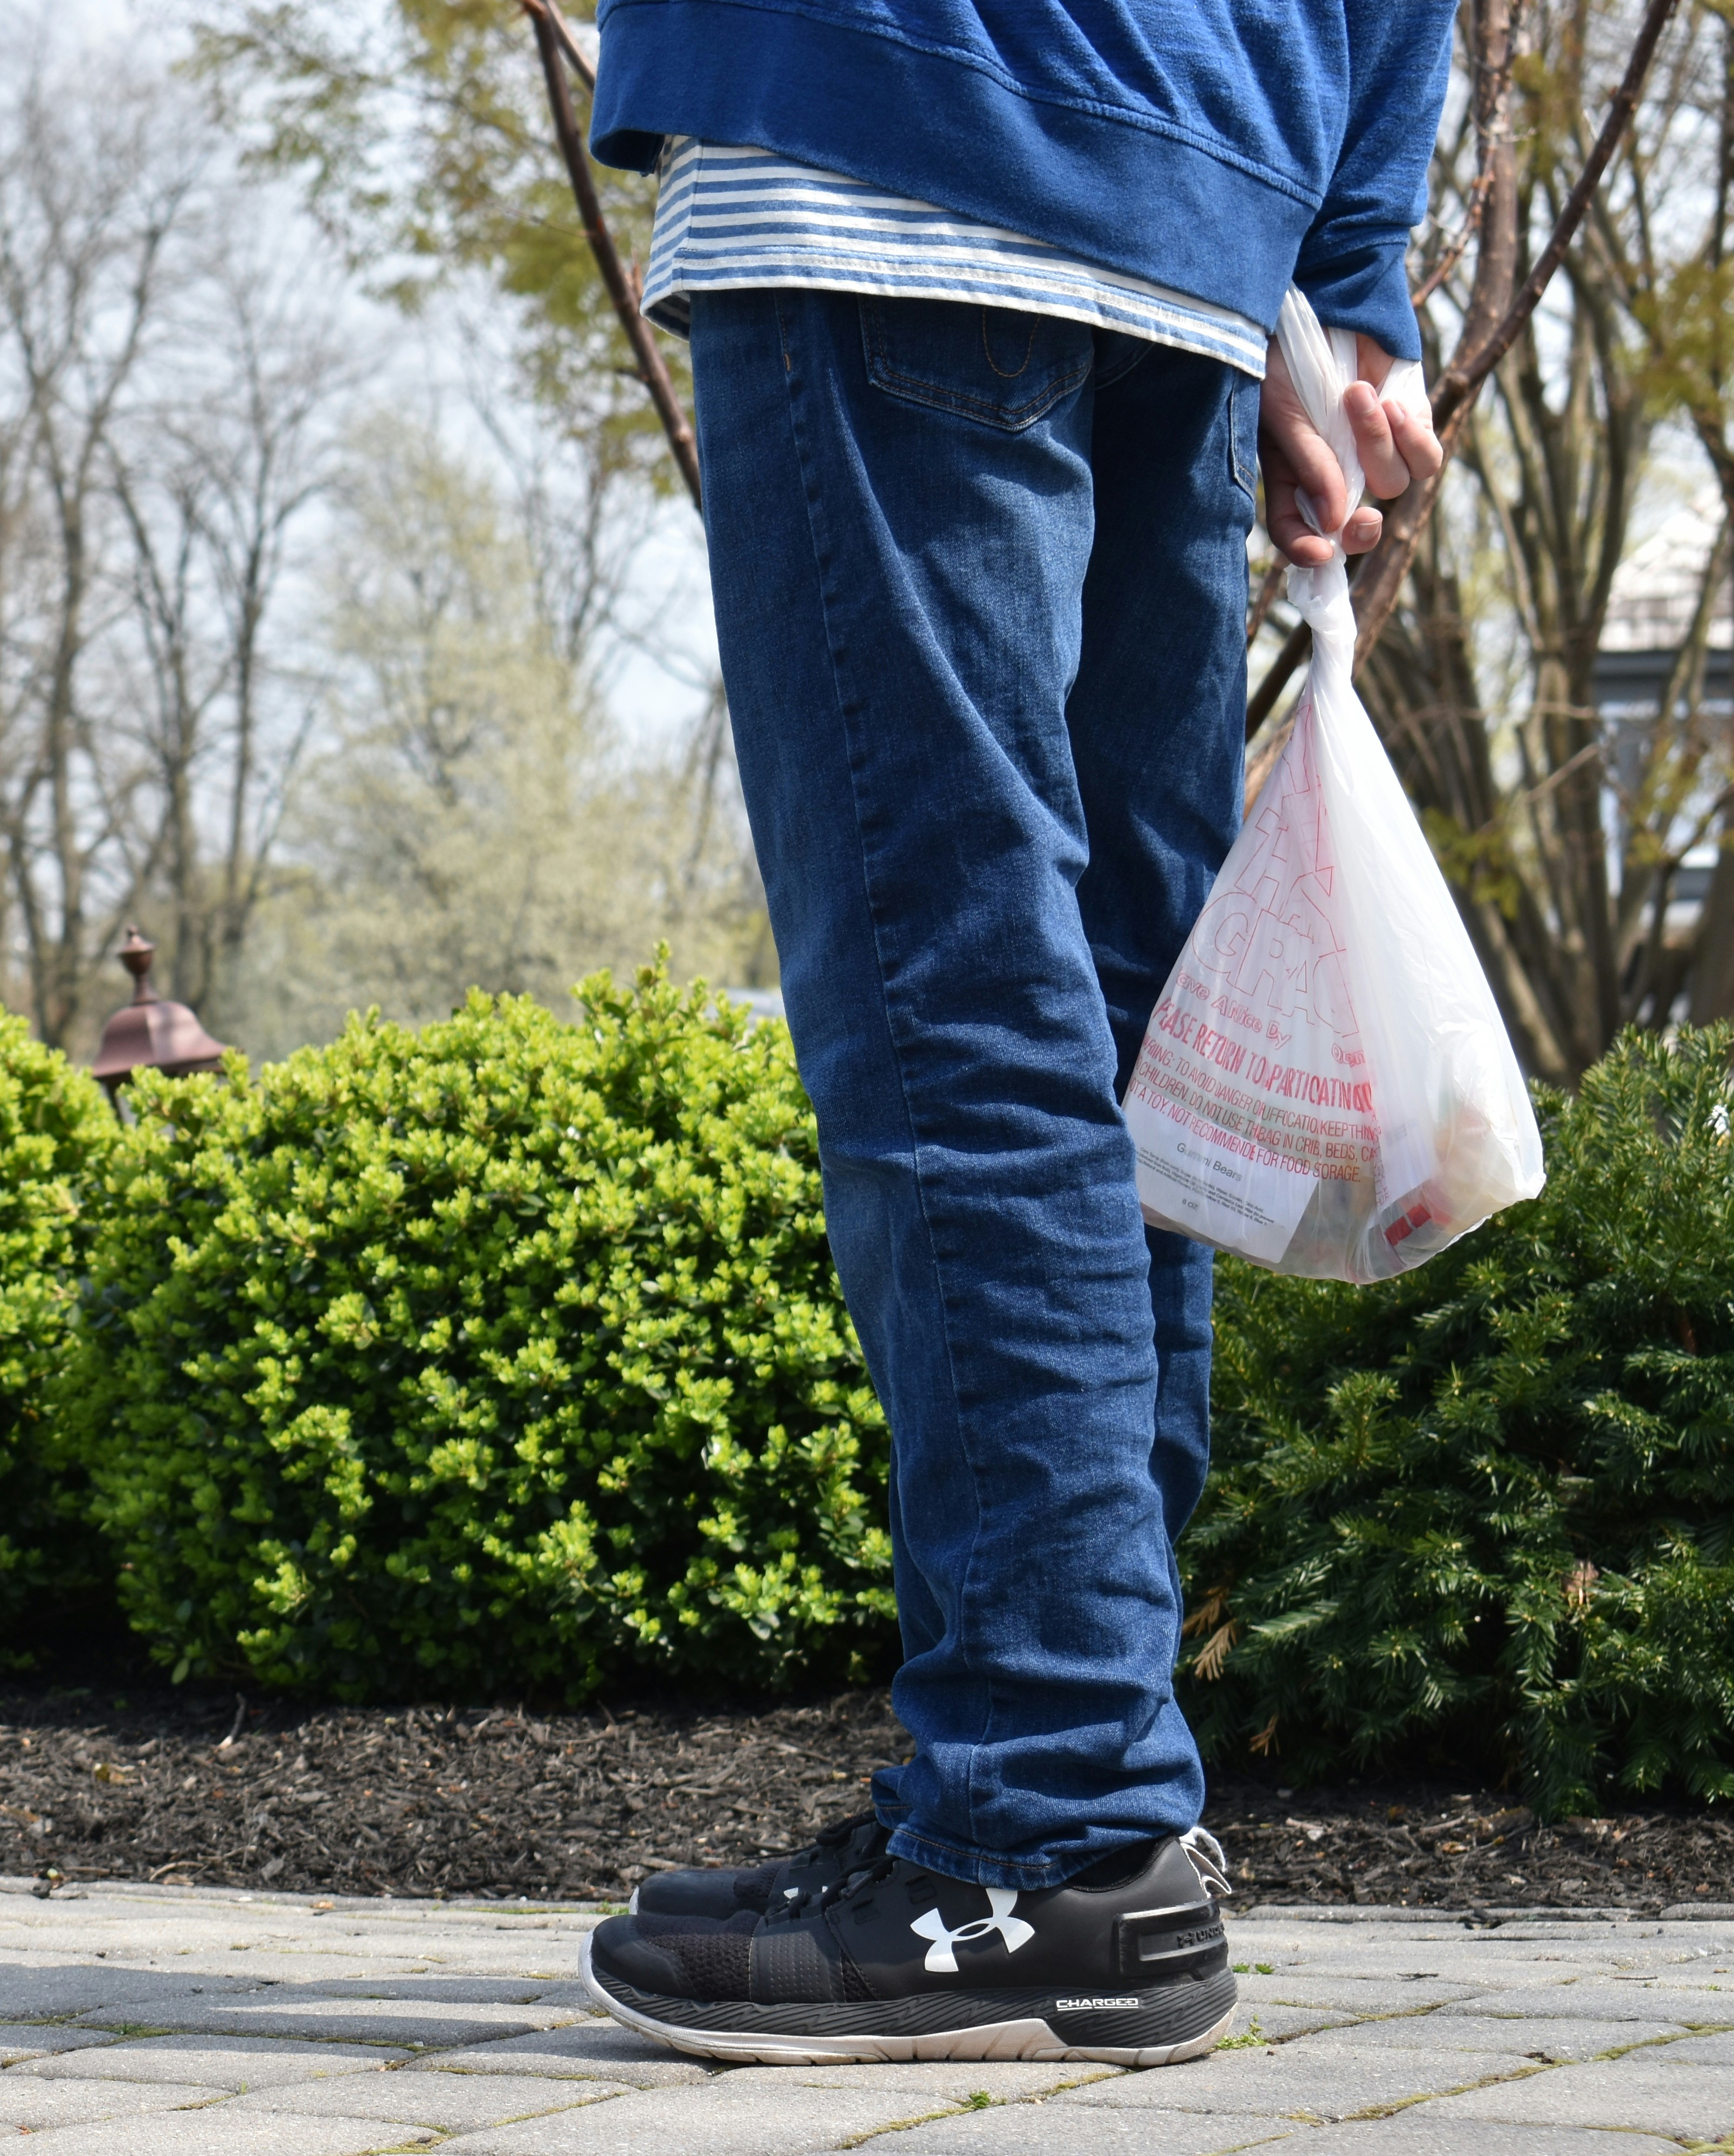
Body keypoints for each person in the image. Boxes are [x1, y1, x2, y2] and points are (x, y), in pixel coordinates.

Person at [572, 0, 1448, 2067]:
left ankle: (1046, 1832)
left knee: (954, 1005)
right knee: (1105, 1033)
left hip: (893, 134)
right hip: (1200, 197)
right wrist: (1347, 267)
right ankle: (1081, 1806)